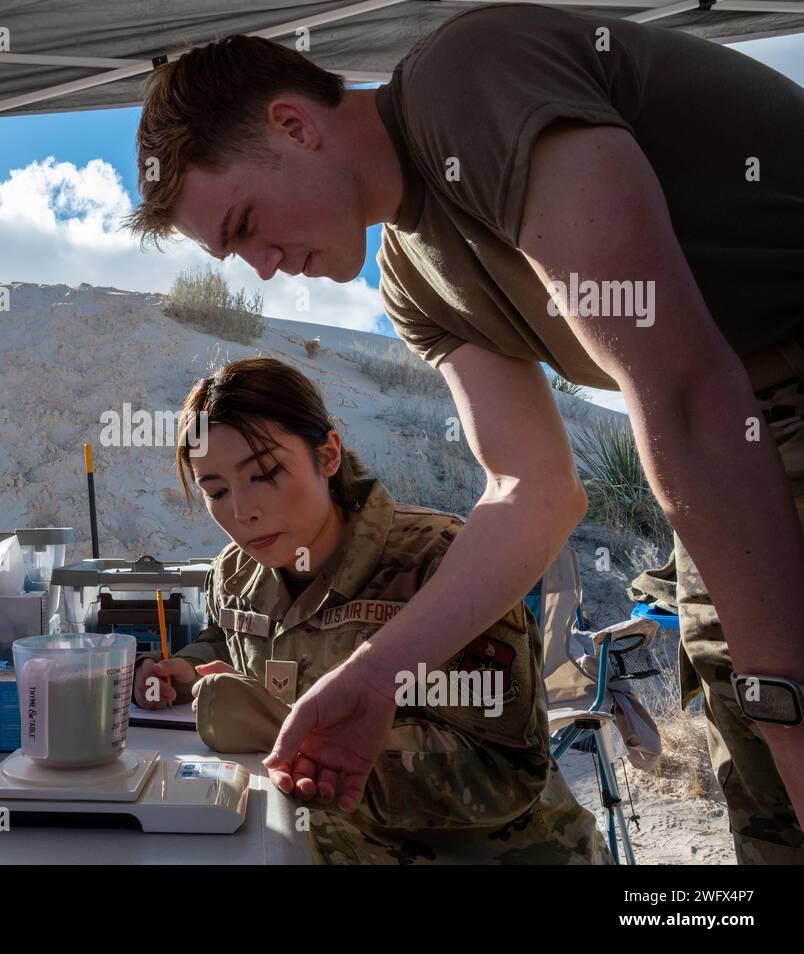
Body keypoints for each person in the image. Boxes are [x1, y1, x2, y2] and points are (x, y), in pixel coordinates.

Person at [123, 3, 804, 864]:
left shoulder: (468, 78)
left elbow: (685, 390)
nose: (260, 266)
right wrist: (371, 679)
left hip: (741, 419)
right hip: (742, 452)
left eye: (246, 225)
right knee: (769, 807)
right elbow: (533, 491)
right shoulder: (413, 282)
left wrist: (789, 705)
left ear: (292, 126)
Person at [132, 357, 611, 864]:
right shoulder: (234, 573)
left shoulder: (446, 562)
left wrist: (284, 731)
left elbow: (504, 769)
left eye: (266, 473)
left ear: (328, 454)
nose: (241, 511)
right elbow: (231, 636)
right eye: (216, 491)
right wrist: (182, 667)